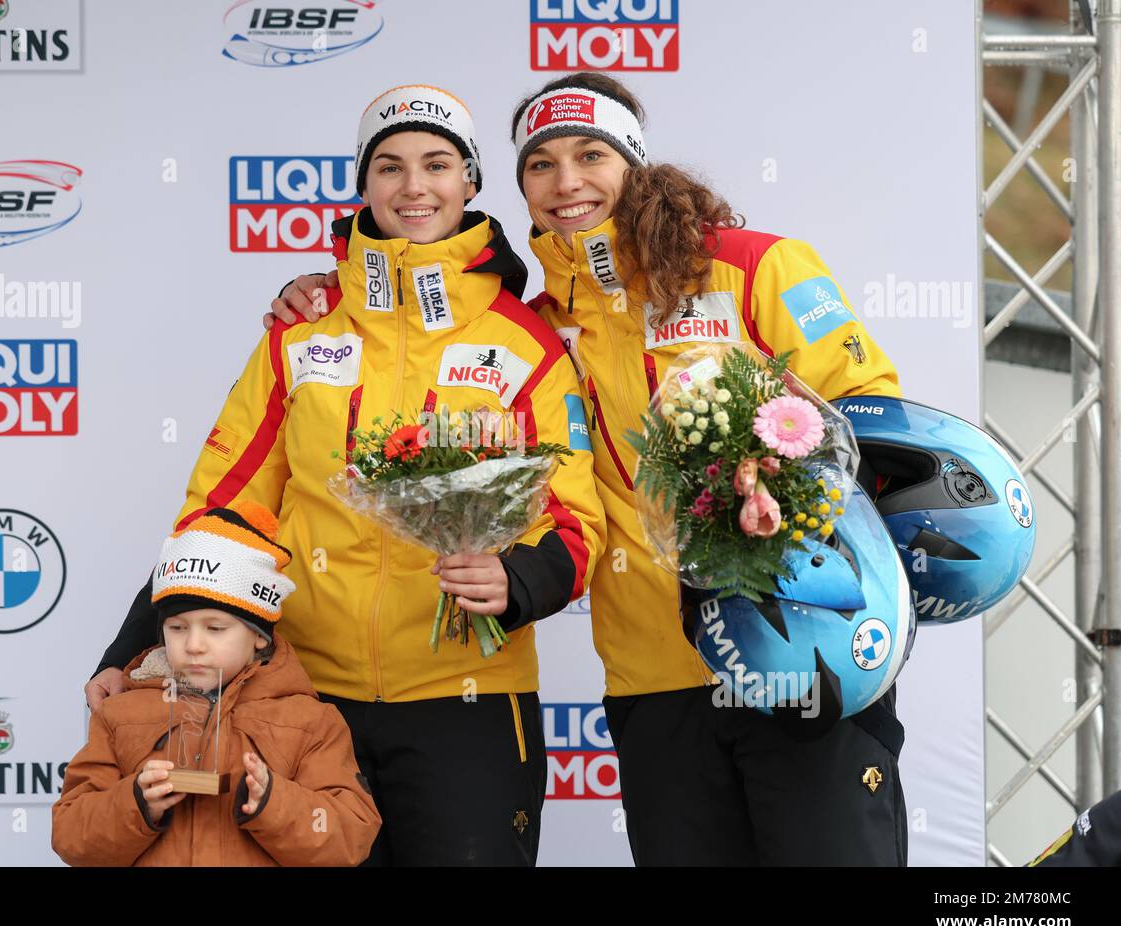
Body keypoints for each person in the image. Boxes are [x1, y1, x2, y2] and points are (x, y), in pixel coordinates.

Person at [266, 72, 908, 866]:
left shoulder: (754, 265)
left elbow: (873, 422)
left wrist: (774, 484)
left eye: (589, 153)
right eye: (540, 165)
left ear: (632, 162)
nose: (566, 182)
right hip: (653, 679)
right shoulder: (538, 327)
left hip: (799, 644)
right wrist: (328, 287)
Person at [87, 84, 604, 866]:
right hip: (298, 699)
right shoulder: (301, 332)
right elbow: (222, 509)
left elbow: (573, 516)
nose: (413, 186)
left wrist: (517, 580)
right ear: (364, 186)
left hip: (465, 699)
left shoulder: (526, 342)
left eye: (437, 164)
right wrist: (130, 648)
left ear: (470, 182)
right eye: (388, 167)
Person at [52, 501, 381, 866]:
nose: (193, 645)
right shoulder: (119, 714)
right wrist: (136, 803)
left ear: (258, 636)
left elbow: (350, 836)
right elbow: (70, 834)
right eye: (177, 628)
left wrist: (274, 803)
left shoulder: (310, 721)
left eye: (215, 628)